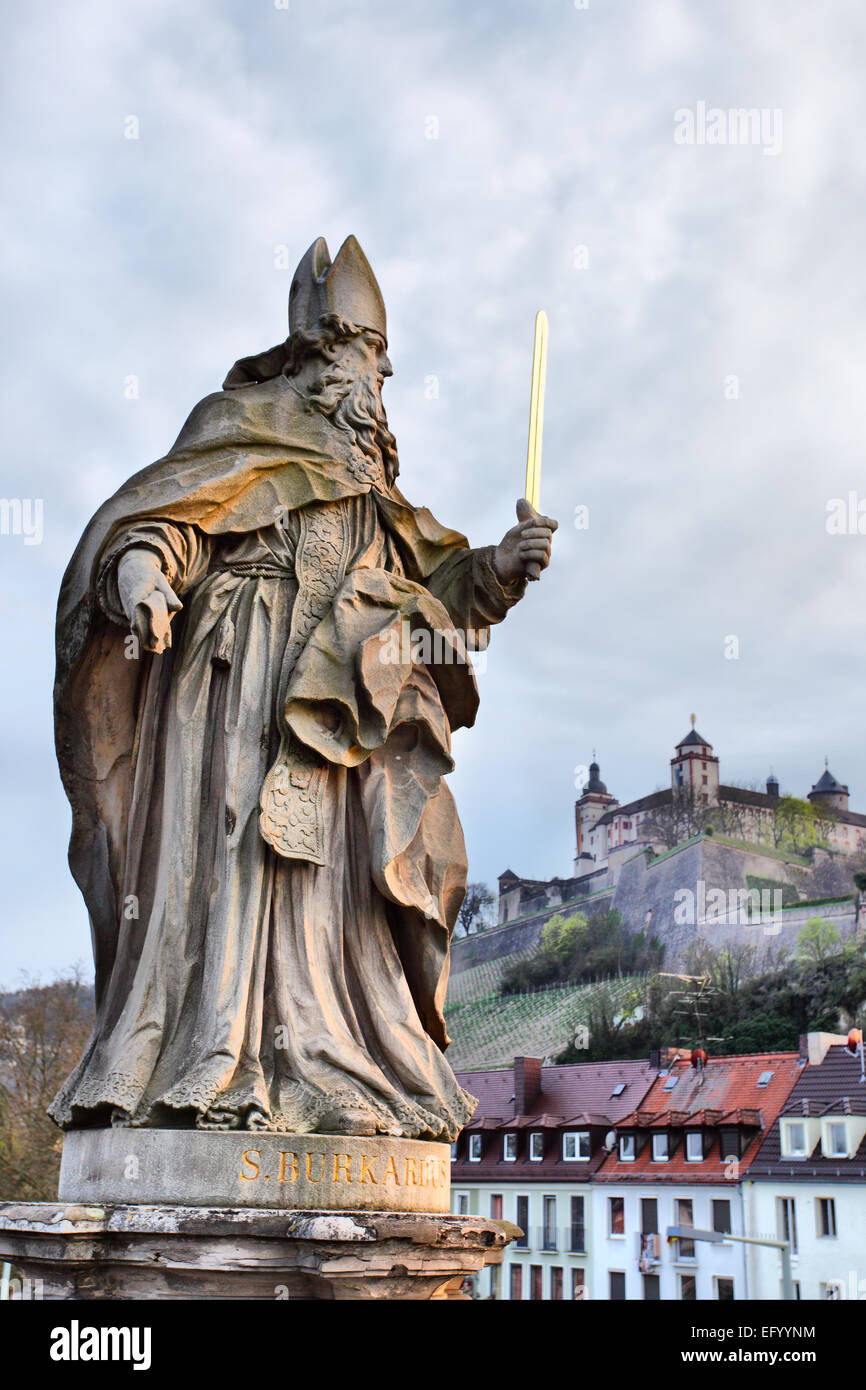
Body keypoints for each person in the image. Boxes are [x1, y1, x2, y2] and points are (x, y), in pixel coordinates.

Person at [50, 236, 557, 1141]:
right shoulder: (238, 425)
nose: (379, 383)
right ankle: (207, 1056)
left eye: (383, 367)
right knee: (234, 860)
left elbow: (441, 598)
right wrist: (143, 578)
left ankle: (327, 1060)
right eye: (369, 358)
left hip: (339, 713)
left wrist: (503, 568)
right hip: (232, 681)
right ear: (326, 352)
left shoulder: (374, 482)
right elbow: (167, 519)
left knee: (333, 885)